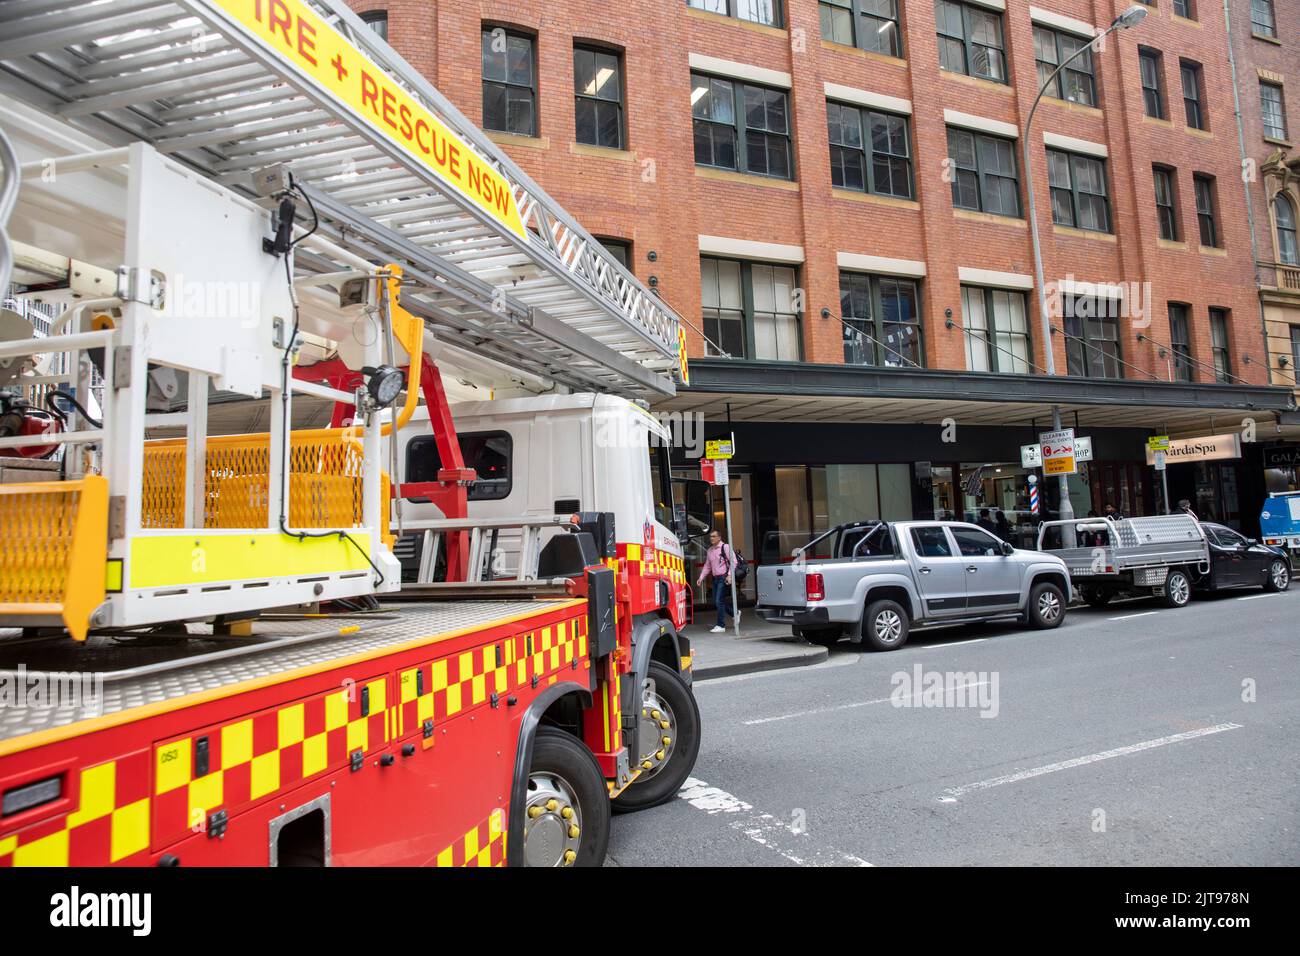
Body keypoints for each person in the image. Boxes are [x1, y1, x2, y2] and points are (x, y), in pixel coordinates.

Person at [696, 529, 738, 633]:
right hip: (715, 578)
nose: (712, 538)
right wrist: (701, 578)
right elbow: (707, 566)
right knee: (718, 601)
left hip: (724, 577)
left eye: (714, 536)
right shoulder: (710, 550)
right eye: (711, 536)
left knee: (719, 601)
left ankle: (721, 625)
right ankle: (735, 613)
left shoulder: (726, 547)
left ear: (719, 537)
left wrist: (729, 576)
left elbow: (734, 562)